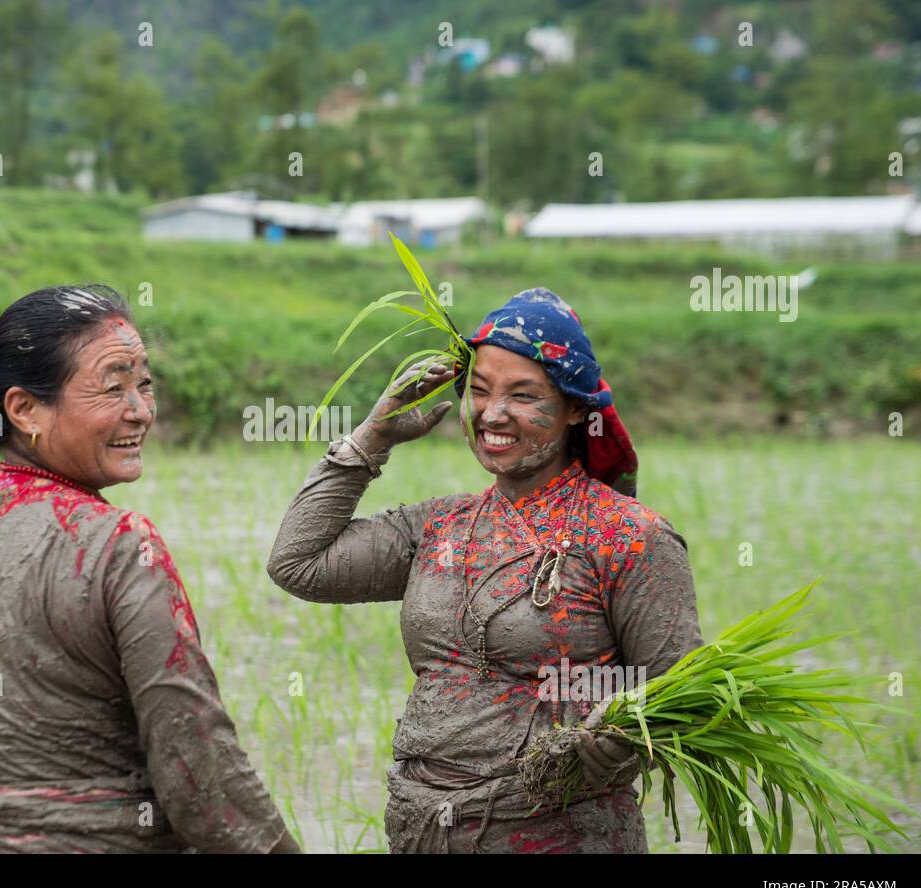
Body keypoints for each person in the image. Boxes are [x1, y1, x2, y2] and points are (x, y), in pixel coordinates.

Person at [267, 287, 704, 853]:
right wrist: (372, 437)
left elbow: (686, 697)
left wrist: (623, 741)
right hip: (423, 831)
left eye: (523, 395)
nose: (492, 414)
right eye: (479, 391)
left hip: (560, 834)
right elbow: (299, 563)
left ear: (575, 408)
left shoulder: (627, 537)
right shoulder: (441, 525)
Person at [0, 284, 298, 853]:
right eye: (113, 387)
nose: (140, 411)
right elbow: (195, 763)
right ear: (24, 410)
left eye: (144, 384)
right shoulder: (118, 545)